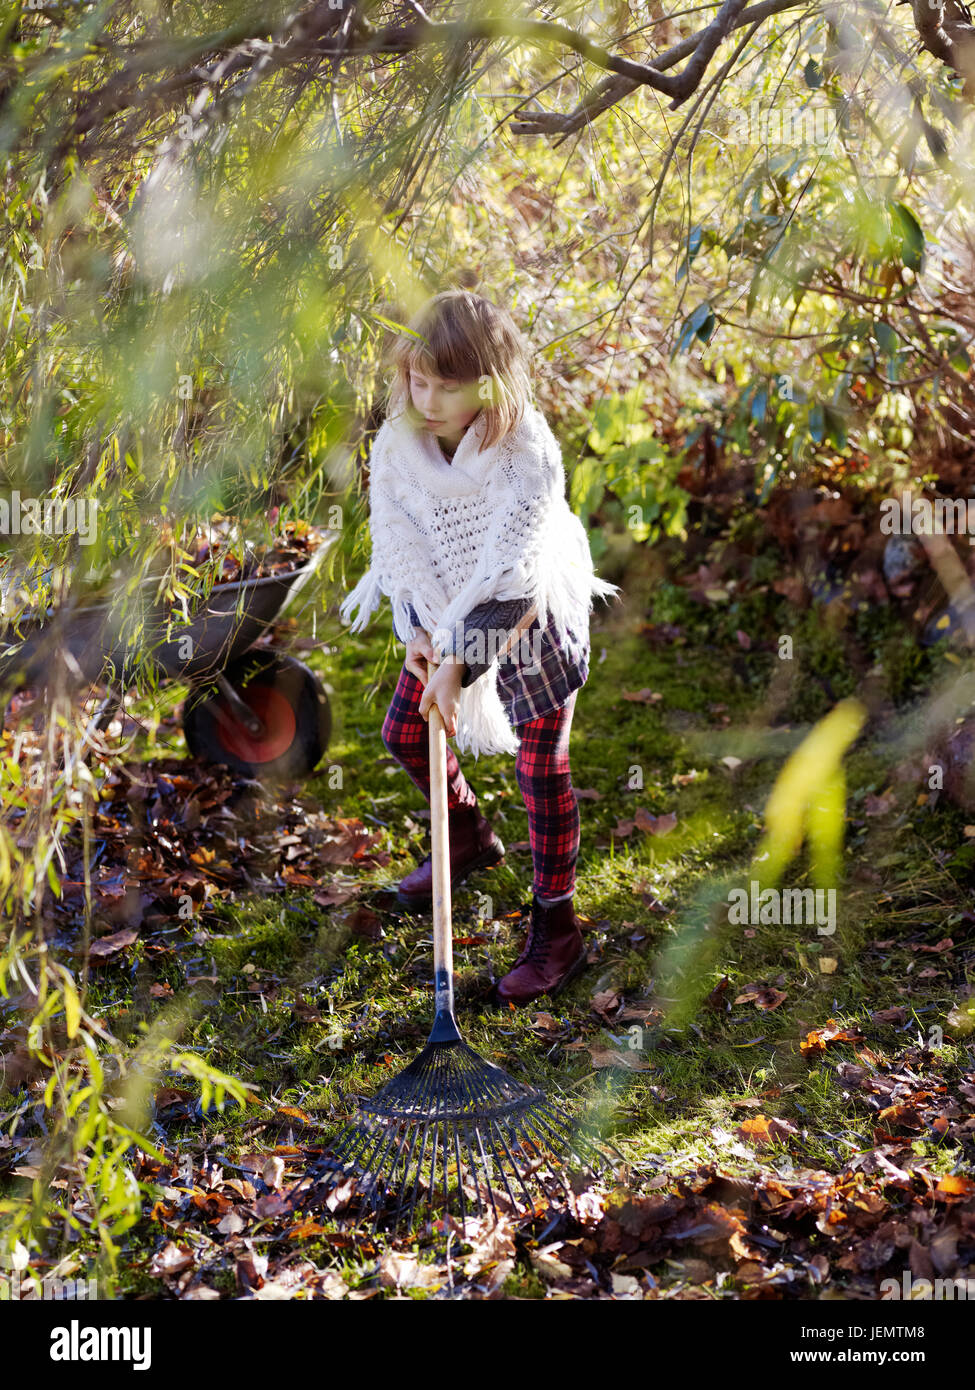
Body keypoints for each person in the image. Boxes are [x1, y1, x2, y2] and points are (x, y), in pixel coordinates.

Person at [339, 288, 620, 1004]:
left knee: (540, 767)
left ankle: (556, 928)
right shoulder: (399, 441)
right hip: (449, 610)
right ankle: (465, 836)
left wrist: (460, 665)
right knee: (405, 732)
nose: (427, 400)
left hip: (531, 611)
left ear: (489, 383)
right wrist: (419, 634)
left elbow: (515, 578)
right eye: (418, 380)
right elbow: (399, 539)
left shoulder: (524, 452)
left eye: (448, 386)